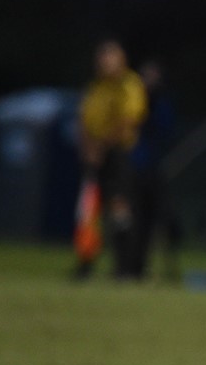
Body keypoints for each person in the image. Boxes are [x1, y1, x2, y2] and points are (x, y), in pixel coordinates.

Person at [75, 39, 147, 279]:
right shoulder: (96, 87)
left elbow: (128, 119)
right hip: (94, 156)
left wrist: (102, 145)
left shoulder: (128, 84)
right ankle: (86, 264)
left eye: (111, 57)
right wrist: (88, 148)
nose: (105, 63)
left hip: (117, 156)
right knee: (89, 210)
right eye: (102, 58)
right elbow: (84, 119)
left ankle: (125, 267)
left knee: (120, 209)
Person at [127, 59, 180, 280]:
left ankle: (158, 267)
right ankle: (129, 266)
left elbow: (165, 130)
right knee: (131, 220)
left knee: (158, 219)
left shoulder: (161, 102)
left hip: (153, 169)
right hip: (131, 168)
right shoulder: (131, 100)